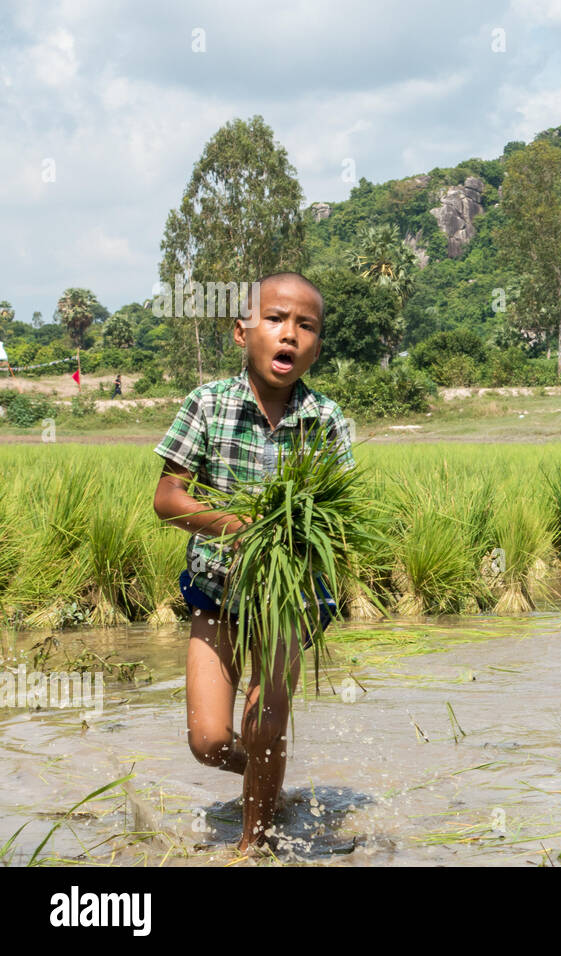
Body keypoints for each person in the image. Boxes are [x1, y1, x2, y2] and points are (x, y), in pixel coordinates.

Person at [152, 272, 353, 851]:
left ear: (317, 345)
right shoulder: (208, 405)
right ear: (242, 332)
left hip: (288, 597)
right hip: (216, 589)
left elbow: (338, 514)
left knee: (266, 718)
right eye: (275, 320)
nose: (289, 334)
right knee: (210, 740)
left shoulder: (327, 420)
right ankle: (265, 780)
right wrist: (236, 526)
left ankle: (254, 843)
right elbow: (168, 497)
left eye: (305, 325)